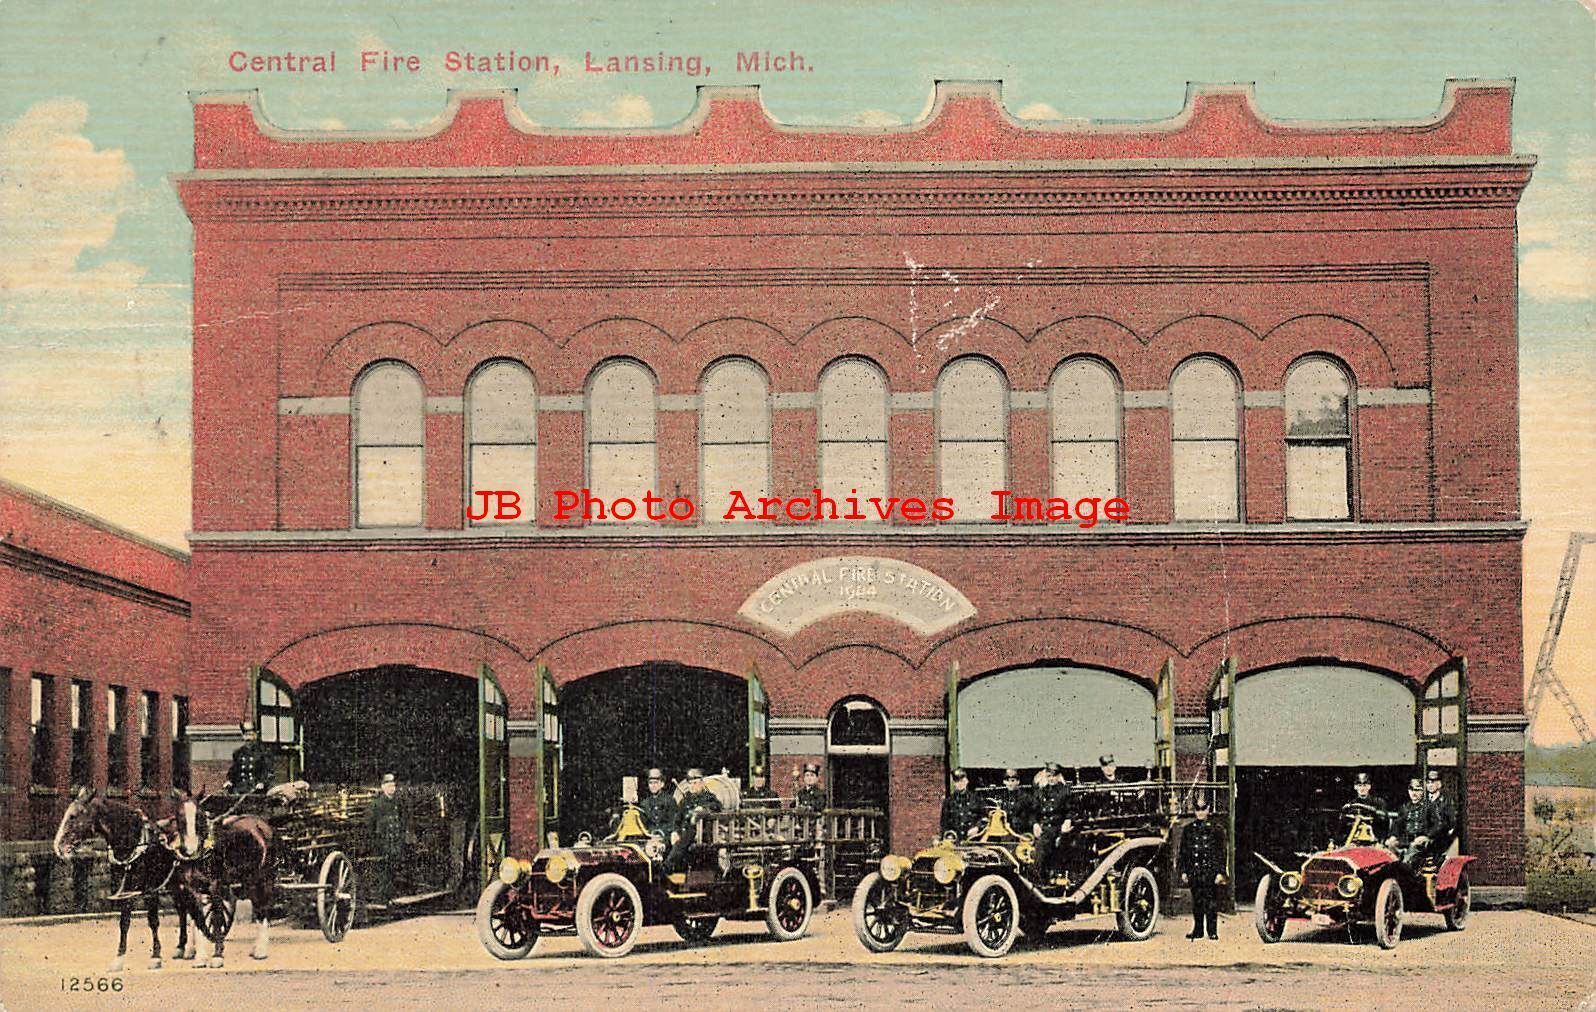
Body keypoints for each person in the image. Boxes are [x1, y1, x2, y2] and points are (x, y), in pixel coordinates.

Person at [1177, 793, 1226, 940]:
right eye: (1197, 809)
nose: (1200, 812)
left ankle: (1212, 931)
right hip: (1195, 871)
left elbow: (1221, 853)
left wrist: (1220, 872)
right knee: (1197, 902)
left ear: (1208, 809)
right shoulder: (1188, 829)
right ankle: (1198, 930)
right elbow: (1183, 852)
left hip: (1210, 871)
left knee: (1211, 902)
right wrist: (1184, 871)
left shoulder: (1217, 829)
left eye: (1203, 809)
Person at [665, 768, 723, 873]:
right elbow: (677, 818)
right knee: (666, 842)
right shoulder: (685, 799)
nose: (692, 786)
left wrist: (703, 809)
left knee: (681, 843)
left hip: (699, 833)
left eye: (695, 783)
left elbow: (717, 805)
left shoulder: (709, 797)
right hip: (684, 833)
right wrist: (674, 831)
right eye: (690, 783)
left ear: (702, 783)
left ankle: (667, 867)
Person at [365, 773, 404, 907]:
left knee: (392, 871)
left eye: (393, 786)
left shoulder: (396, 803)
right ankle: (381, 898)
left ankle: (389, 898)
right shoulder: (376, 804)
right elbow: (369, 826)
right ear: (383, 787)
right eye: (389, 786)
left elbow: (399, 822)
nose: (392, 788)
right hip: (382, 844)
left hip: (394, 842)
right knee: (383, 872)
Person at [1030, 762, 1074, 878]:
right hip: (1044, 829)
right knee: (1035, 854)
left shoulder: (1065, 791)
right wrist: (1035, 824)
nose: (1051, 779)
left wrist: (1068, 820)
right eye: (1049, 776)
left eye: (1054, 776)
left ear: (1058, 776)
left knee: (1052, 853)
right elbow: (1034, 811)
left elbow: (1071, 810)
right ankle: (1038, 880)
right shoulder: (1041, 792)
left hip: (1058, 829)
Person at [1385, 777, 1441, 866]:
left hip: (1421, 842)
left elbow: (1437, 825)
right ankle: (1395, 868)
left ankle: (1404, 867)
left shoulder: (1430, 806)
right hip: (1405, 840)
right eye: (1411, 790)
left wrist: (1427, 836)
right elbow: (1397, 824)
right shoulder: (1405, 807)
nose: (1414, 793)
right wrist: (1393, 836)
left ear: (1422, 791)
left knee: (1412, 850)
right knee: (1391, 846)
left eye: (1417, 790)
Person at [223, 723, 277, 795]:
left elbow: (268, 772)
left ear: (255, 735)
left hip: (256, 789)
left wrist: (262, 783)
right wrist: (229, 781)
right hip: (239, 788)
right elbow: (233, 771)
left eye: (251, 735)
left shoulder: (263, 752)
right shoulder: (238, 753)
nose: (248, 738)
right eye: (246, 735)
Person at [939, 768, 984, 839]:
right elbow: (944, 823)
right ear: (954, 783)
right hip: (956, 839)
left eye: (962, 781)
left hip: (974, 839)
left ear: (967, 781)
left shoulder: (976, 799)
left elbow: (984, 818)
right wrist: (948, 835)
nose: (960, 784)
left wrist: (977, 827)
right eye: (957, 781)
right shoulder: (948, 802)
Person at [1423, 769, 1457, 859]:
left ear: (1439, 784)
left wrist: (1428, 835)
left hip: (1441, 839)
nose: (1430, 785)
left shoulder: (1447, 801)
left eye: (1433, 782)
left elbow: (1448, 823)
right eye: (1428, 782)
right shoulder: (1424, 801)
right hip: (1425, 837)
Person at [637, 767, 678, 834]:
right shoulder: (645, 803)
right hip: (649, 836)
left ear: (662, 784)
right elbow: (643, 825)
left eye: (656, 783)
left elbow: (673, 823)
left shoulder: (669, 801)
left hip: (666, 836)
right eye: (650, 783)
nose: (653, 786)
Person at [1348, 771, 1389, 837]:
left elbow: (1384, 818)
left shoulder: (1379, 802)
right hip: (1354, 836)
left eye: (1365, 785)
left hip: (1374, 836)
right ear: (1355, 787)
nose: (1362, 788)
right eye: (1359, 785)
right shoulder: (1351, 804)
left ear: (1369, 786)